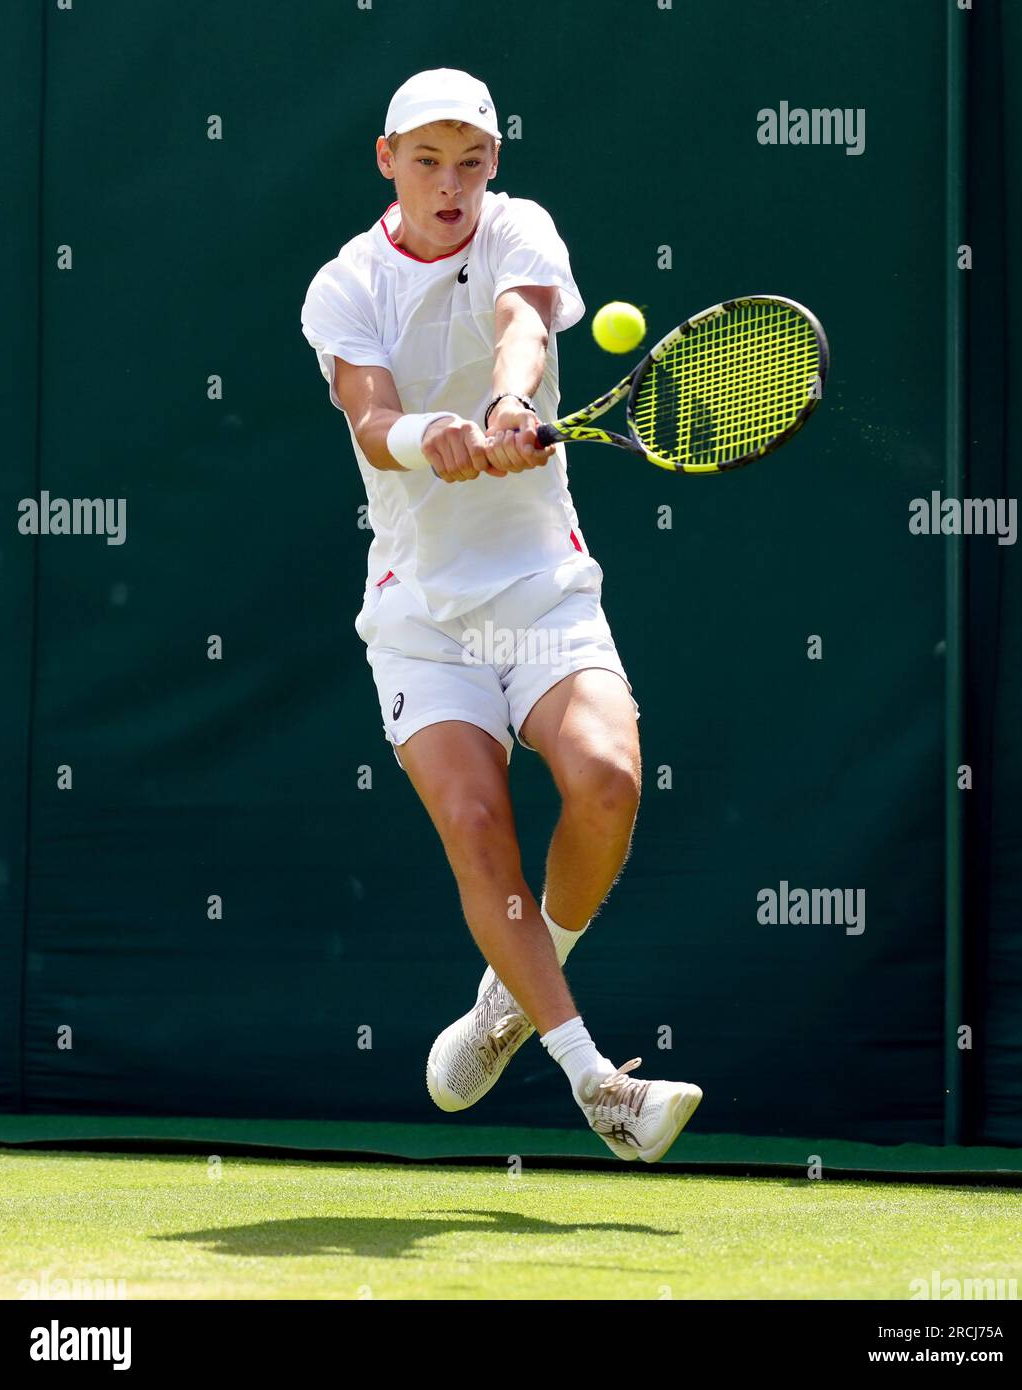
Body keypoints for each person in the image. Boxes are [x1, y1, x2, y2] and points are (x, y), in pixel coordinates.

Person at [301, 68, 701, 1162]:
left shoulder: (519, 229)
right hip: (421, 614)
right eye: (425, 161)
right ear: (386, 160)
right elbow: (367, 409)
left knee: (607, 781)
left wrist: (509, 401)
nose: (450, 184)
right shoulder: (344, 285)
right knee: (481, 831)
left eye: (470, 162)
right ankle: (595, 1082)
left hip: (537, 587)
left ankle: (507, 1003)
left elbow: (521, 323)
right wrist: (421, 433)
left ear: (493, 166)